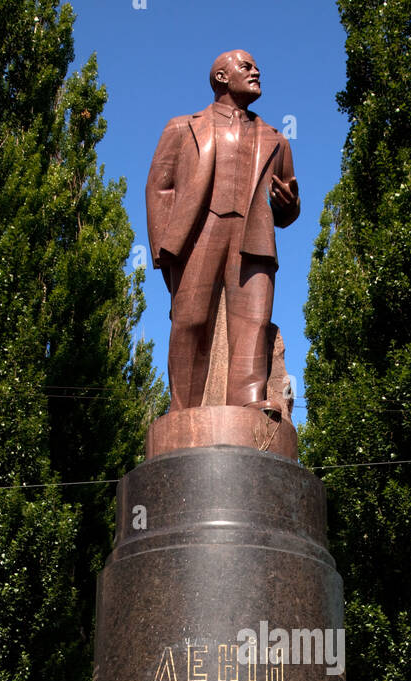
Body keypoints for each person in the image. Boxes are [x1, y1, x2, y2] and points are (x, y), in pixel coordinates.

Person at [145, 50, 300, 412]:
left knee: (253, 323)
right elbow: (159, 186)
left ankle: (248, 402)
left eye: (257, 67)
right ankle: (183, 409)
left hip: (254, 236)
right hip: (201, 231)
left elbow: (289, 207)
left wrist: (288, 203)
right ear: (220, 77)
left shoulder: (276, 139)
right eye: (246, 67)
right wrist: (166, 247)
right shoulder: (182, 127)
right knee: (190, 321)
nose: (256, 71)